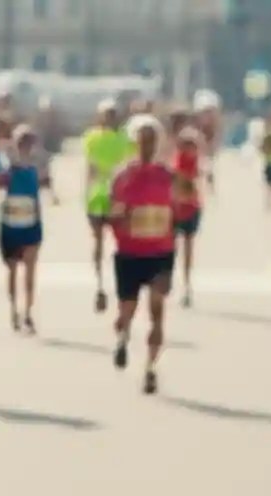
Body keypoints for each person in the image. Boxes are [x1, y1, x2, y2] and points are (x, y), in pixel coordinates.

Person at [108, 114, 175, 395]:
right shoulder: (123, 176)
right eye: (142, 140)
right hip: (130, 253)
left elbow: (183, 208)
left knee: (157, 312)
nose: (147, 145)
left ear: (158, 143)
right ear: (135, 142)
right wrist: (124, 223)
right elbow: (114, 214)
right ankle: (123, 336)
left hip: (160, 252)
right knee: (127, 311)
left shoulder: (168, 176)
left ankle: (150, 369)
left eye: (152, 140)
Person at [0, 124, 57, 335]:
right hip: (10, 224)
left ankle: (28, 312)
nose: (25, 145)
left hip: (31, 223)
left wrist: (52, 192)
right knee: (12, 270)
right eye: (22, 140)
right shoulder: (6, 162)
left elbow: (48, 182)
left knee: (30, 270)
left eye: (29, 141)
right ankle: (14, 310)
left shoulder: (39, 164)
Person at [82, 100, 135, 314]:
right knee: (109, 242)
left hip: (105, 196)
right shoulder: (117, 138)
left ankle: (104, 283)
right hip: (108, 196)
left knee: (107, 243)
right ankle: (102, 283)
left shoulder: (96, 137)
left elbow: (91, 169)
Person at [172, 127, 204, 308]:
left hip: (190, 209)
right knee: (173, 250)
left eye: (193, 145)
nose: (191, 149)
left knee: (187, 251)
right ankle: (180, 285)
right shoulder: (178, 162)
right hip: (178, 210)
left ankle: (186, 286)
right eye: (187, 145)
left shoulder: (195, 162)